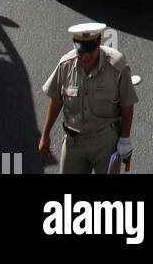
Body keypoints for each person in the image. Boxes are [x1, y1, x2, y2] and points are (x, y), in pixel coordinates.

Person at [39, 23, 137, 175]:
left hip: (105, 142)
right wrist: (45, 135)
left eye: (90, 51)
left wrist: (125, 139)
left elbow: (127, 104)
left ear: (98, 44)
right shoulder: (65, 65)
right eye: (81, 51)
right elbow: (56, 99)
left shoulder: (117, 67)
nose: (85, 57)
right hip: (74, 142)